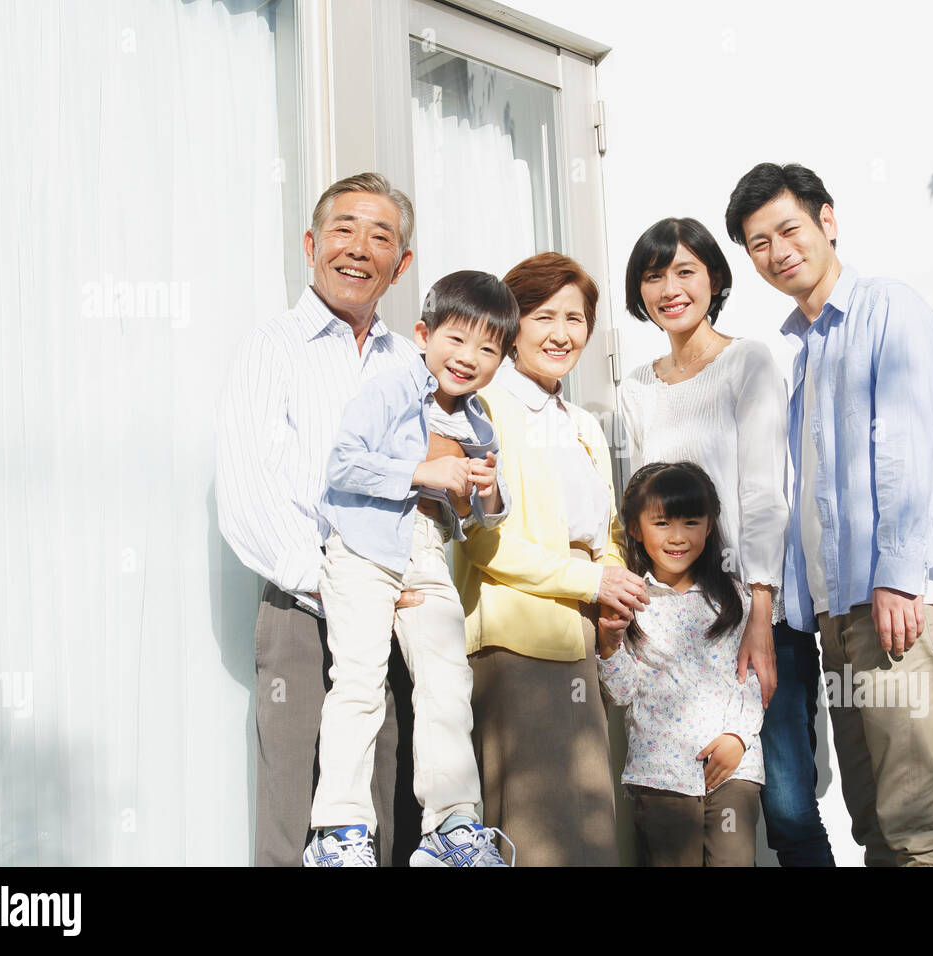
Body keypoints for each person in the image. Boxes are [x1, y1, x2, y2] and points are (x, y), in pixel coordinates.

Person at [725, 162, 933, 866]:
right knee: (871, 818)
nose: (777, 252)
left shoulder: (886, 308)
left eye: (789, 230)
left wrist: (899, 574)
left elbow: (901, 447)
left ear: (827, 221)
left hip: (896, 598)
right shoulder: (805, 353)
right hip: (843, 615)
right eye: (758, 243)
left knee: (917, 820)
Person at [216, 172, 421, 867]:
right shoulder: (271, 349)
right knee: (295, 816)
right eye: (344, 229)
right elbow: (247, 499)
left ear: (403, 263)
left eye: (381, 235)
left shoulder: (413, 364)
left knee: (386, 805)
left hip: (393, 612)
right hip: (305, 610)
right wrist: (334, 587)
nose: (359, 248)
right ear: (311, 244)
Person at [617, 217, 834, 866]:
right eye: (654, 276)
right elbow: (632, 509)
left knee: (789, 807)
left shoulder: (748, 362)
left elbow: (766, 495)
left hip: (758, 613)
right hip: (674, 623)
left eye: (685, 271)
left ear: (714, 279)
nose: (670, 288)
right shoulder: (635, 388)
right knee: (693, 808)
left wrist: (762, 615)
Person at [303, 271, 519, 867]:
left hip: (426, 555)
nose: (469, 358)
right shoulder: (391, 389)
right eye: (457, 339)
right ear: (424, 335)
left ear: (501, 360)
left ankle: (450, 830)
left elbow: (479, 521)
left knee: (449, 684)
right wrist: (422, 474)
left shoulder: (479, 426)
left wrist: (489, 494)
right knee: (359, 684)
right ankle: (339, 835)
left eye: (488, 349)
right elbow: (343, 466)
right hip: (365, 548)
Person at [452, 252, 649, 867]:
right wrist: (592, 580)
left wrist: (612, 597)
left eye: (576, 318)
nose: (561, 333)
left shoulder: (584, 424)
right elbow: (485, 540)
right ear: (512, 323)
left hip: (581, 639)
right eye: (544, 316)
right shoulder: (485, 409)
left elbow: (606, 531)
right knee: (537, 835)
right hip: (515, 642)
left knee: (587, 828)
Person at [596, 462, 763, 867]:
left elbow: (753, 678)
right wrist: (610, 644)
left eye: (691, 522)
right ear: (635, 529)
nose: (677, 537)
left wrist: (738, 738)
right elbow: (621, 693)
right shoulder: (630, 600)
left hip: (734, 770)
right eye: (661, 523)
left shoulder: (735, 600)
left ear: (709, 527)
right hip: (661, 775)